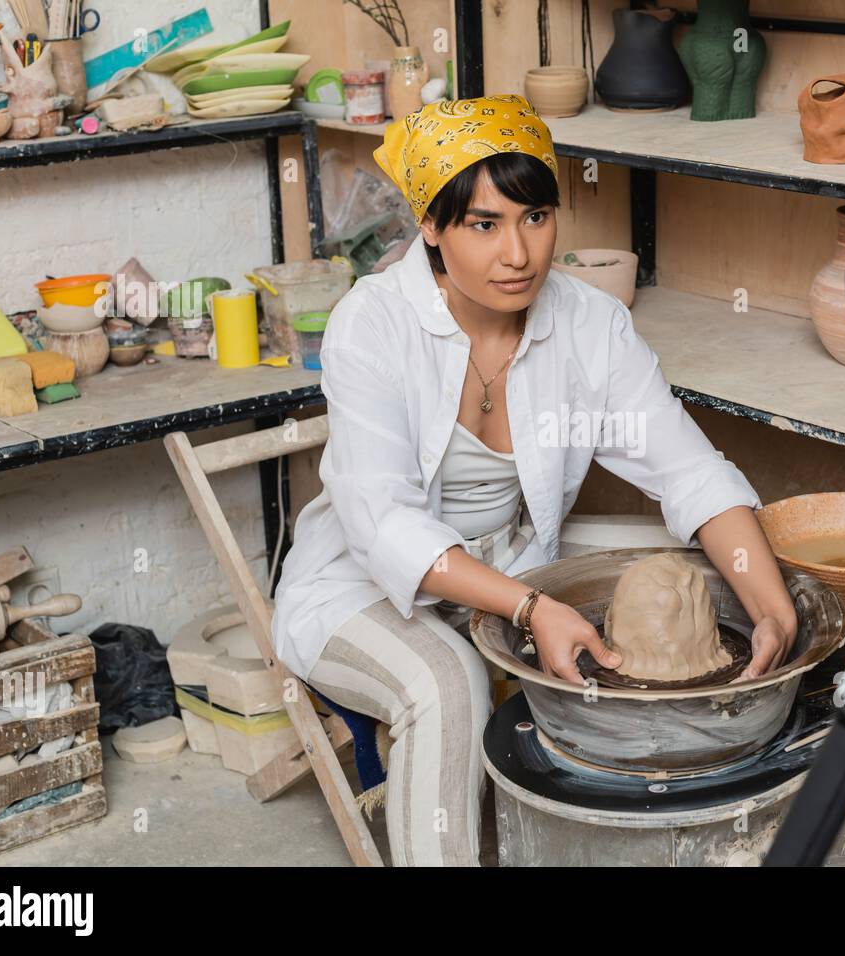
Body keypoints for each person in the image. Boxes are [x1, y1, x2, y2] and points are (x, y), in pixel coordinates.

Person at [271, 94, 799, 866]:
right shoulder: (372, 323)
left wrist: (768, 599)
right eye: (484, 225)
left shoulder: (589, 323)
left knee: (690, 567)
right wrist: (531, 606)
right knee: (447, 683)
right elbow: (382, 520)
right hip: (358, 582)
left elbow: (684, 466)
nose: (518, 254)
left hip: (515, 557)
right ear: (431, 227)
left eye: (536, 217)